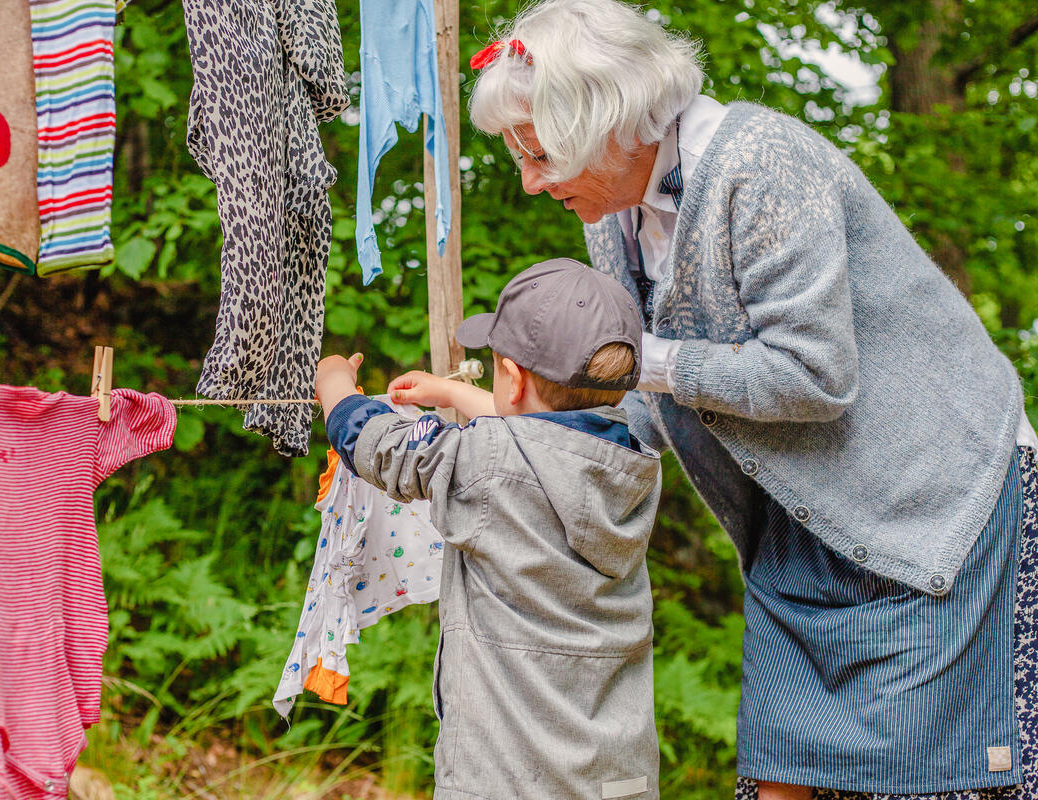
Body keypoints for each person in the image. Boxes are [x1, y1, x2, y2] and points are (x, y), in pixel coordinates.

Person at [466, 1, 1038, 799]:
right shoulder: (614, 210)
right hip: (801, 513)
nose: (530, 184)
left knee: (921, 781)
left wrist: (635, 364)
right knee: (778, 775)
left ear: (609, 122)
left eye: (540, 156)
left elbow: (812, 377)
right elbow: (639, 397)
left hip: (931, 501)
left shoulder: (762, 164)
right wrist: (497, 415)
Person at [315, 258, 664, 799]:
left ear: (513, 379)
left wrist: (337, 390)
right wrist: (455, 395)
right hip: (615, 776)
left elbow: (389, 451)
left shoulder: (487, 462)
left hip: (511, 777)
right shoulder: (635, 465)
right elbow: (549, 439)